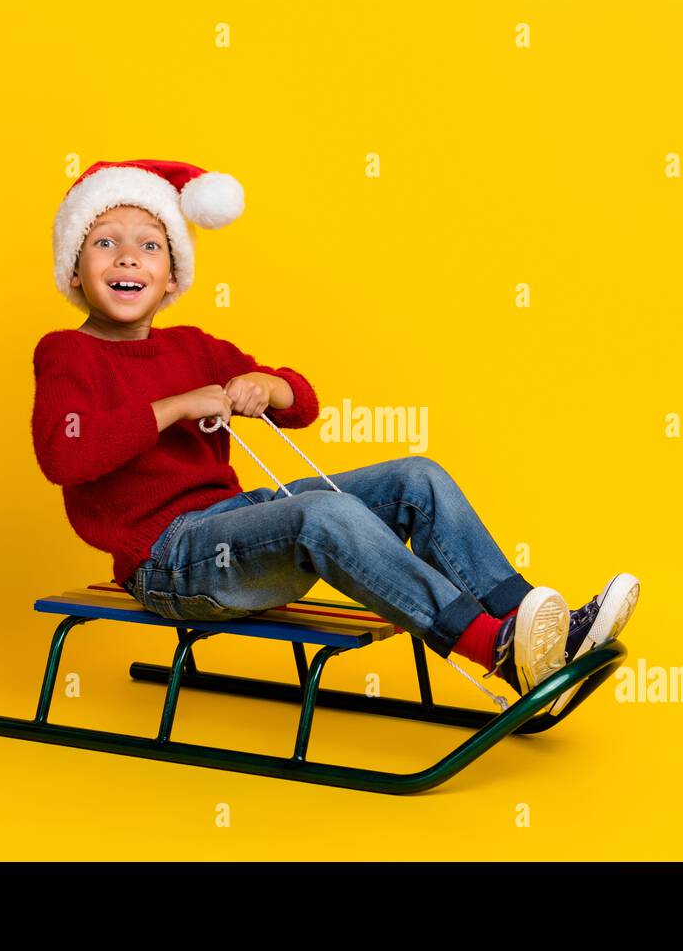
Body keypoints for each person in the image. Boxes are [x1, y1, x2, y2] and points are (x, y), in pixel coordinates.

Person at [32, 159, 640, 716]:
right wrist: (175, 406)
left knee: (416, 478)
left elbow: (303, 402)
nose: (128, 259)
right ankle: (494, 649)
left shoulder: (195, 346)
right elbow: (65, 454)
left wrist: (264, 387)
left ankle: (534, 627)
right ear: (76, 272)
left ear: (170, 278)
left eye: (149, 247)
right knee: (320, 513)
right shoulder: (66, 353)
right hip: (170, 561)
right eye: (105, 244)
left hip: (241, 523)